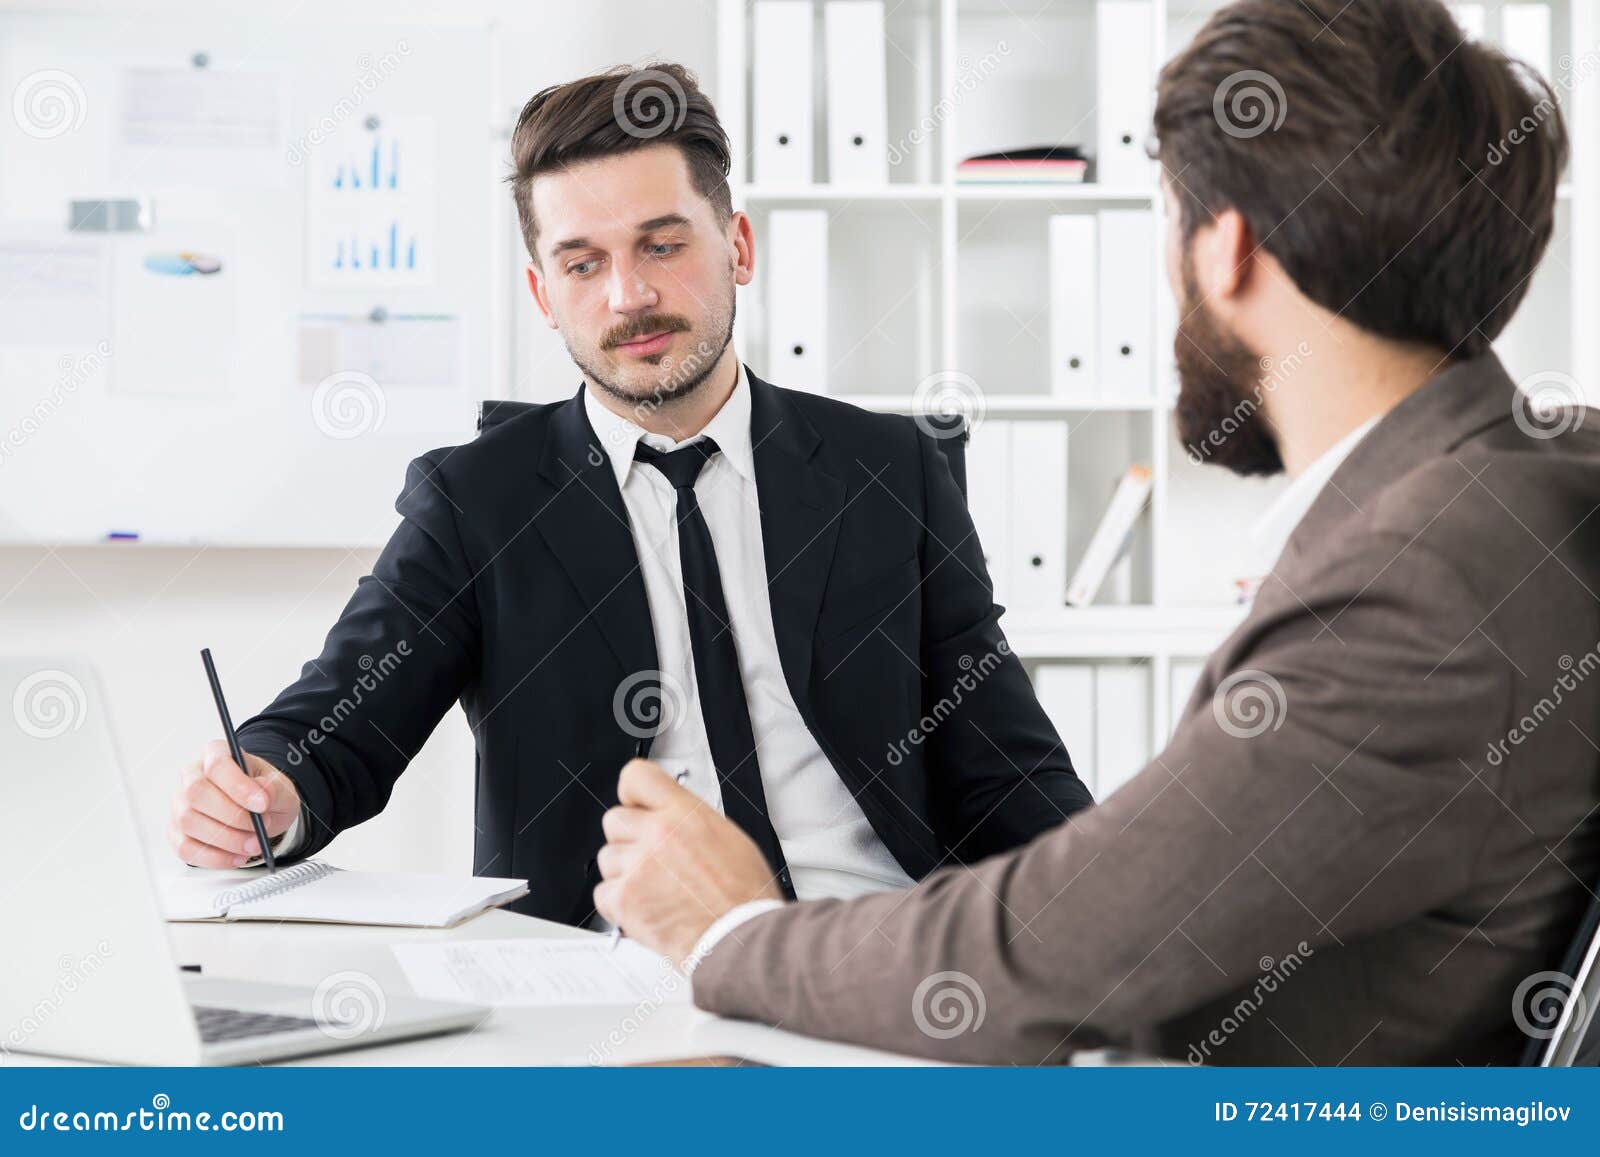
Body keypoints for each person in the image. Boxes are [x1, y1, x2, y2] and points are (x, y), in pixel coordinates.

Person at [595, 0, 1600, 1064]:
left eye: (1163, 221)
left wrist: (731, 928)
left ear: (1227, 250)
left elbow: (1032, 965)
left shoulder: (1428, 577)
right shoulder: (1528, 482)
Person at [165, 63, 1093, 926]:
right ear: (543, 291)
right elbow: (338, 724)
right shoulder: (479, 500)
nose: (628, 295)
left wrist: (1107, 933)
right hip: (607, 974)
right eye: (582, 262)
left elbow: (1011, 772)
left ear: (737, 245)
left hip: (869, 952)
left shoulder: (888, 470)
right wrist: (265, 791)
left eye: (662, 244)